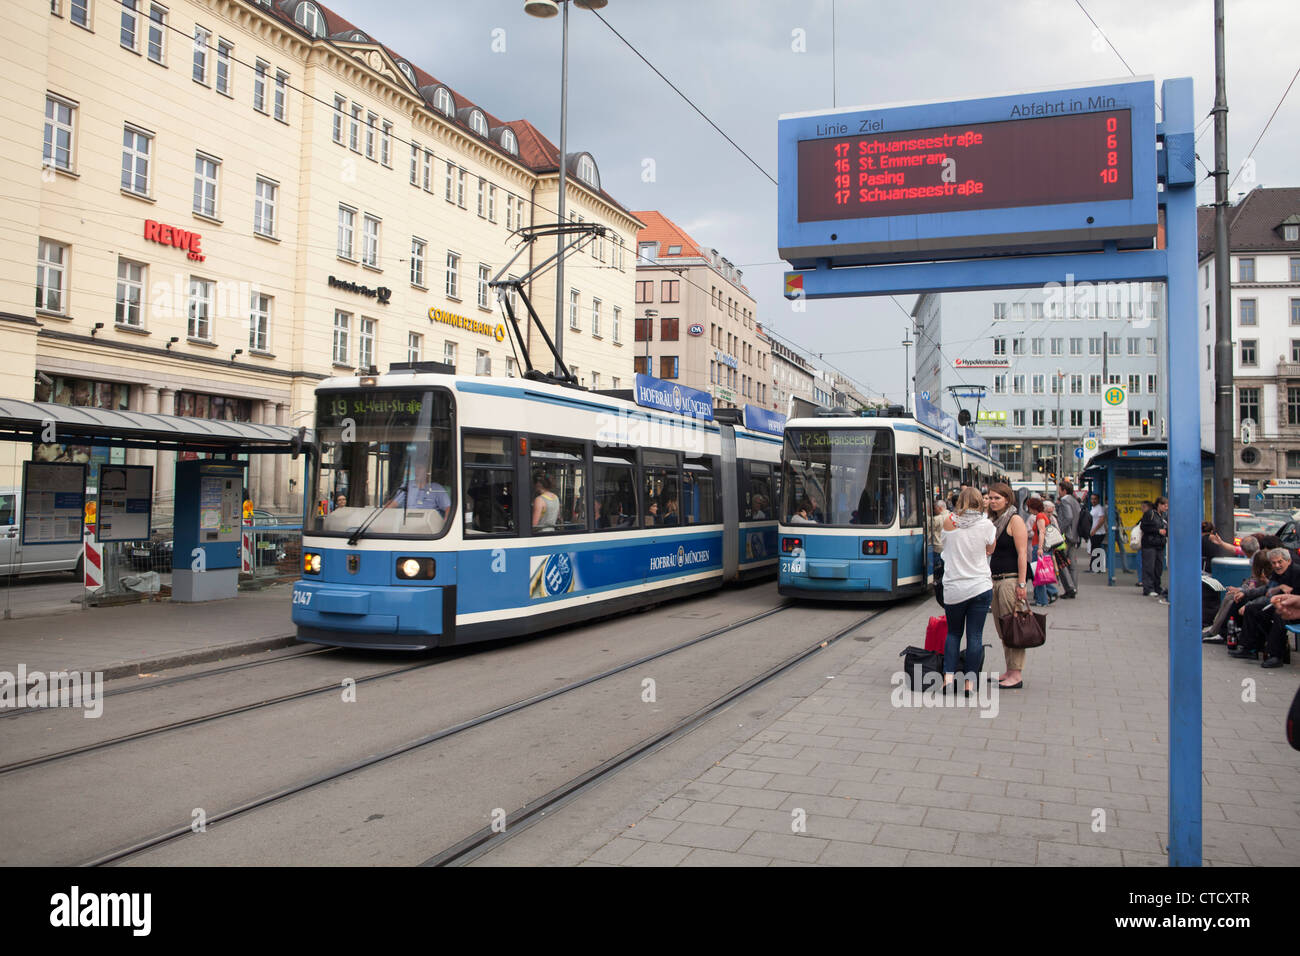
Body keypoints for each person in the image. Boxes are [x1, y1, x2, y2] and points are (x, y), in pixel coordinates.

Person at [939, 487, 996, 696]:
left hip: (954, 587)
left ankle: (947, 680)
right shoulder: (987, 525)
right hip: (980, 586)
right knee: (975, 636)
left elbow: (943, 544)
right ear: (980, 501)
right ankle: (970, 685)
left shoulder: (949, 521)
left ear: (959, 501)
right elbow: (990, 549)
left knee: (953, 633)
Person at [986, 482, 1031, 689]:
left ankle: (1017, 675)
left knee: (1013, 628)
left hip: (1010, 580)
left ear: (1007, 499)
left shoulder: (1015, 520)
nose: (993, 501)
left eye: (997, 498)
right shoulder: (994, 521)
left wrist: (1022, 584)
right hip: (996, 580)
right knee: (1003, 628)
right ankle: (1010, 670)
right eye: (991, 498)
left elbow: (1023, 554)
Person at [1232, 548, 1300, 667]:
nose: (1277, 565)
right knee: (1252, 609)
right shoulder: (1277, 574)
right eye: (1274, 563)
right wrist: (1245, 593)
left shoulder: (1297, 572)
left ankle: (1276, 655)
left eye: (1280, 562)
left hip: (1295, 610)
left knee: (1279, 615)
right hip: (1280, 605)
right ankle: (1250, 648)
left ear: (1288, 561)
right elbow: (1266, 590)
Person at [1204, 550, 1271, 641]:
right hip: (1253, 595)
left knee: (1234, 600)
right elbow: (1250, 585)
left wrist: (1246, 599)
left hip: (1259, 601)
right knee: (1230, 596)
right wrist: (1241, 590)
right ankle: (1215, 628)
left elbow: (1262, 593)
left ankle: (1220, 631)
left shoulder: (1268, 578)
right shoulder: (1257, 576)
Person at [1024, 497, 1058, 606]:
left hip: (1038, 548)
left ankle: (1044, 598)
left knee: (1039, 575)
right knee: (1040, 574)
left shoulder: (1039, 516)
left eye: (1029, 507)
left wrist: (1039, 547)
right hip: (1041, 548)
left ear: (1033, 507)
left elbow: (1042, 532)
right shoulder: (1042, 516)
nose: (1028, 510)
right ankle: (1043, 598)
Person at [1044, 500, 1077, 598]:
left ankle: (1069, 588)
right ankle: (1070, 588)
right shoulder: (1052, 518)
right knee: (1064, 566)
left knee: (1062, 566)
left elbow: (1058, 530)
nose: (1050, 514)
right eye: (1048, 512)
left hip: (1055, 546)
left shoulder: (1051, 518)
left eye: (1051, 512)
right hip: (1056, 545)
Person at [1140, 496, 1169, 597]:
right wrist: (1157, 531)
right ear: (1159, 505)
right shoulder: (1150, 513)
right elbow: (1143, 526)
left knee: (1158, 567)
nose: (1166, 507)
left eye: (1167, 505)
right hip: (1150, 544)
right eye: (1164, 505)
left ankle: (1157, 587)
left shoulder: (1164, 516)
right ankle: (1148, 588)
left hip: (1160, 544)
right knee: (1149, 566)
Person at [1056, 480, 1081, 557]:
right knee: (1071, 556)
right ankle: (1073, 569)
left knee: (1062, 559)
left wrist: (1061, 530)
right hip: (1075, 533)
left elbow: (1068, 517)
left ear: (1064, 491)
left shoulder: (1064, 500)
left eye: (1059, 490)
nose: (1059, 492)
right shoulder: (1074, 500)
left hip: (1068, 534)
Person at [1088, 493, 1107, 570]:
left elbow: (1102, 520)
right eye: (1092, 499)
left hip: (1098, 533)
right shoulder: (1093, 508)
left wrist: (1094, 530)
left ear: (1098, 500)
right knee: (1095, 549)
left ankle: (1094, 567)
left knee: (1095, 549)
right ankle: (1095, 566)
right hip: (1094, 532)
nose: (1093, 500)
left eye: (1095, 499)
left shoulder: (1099, 508)